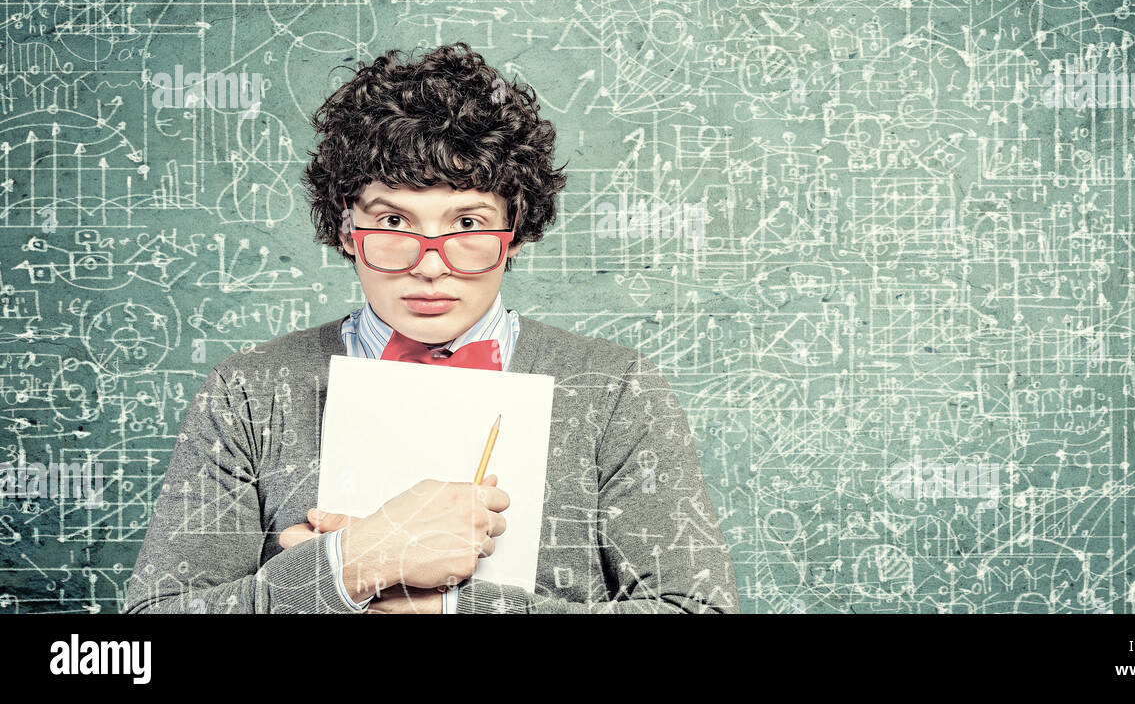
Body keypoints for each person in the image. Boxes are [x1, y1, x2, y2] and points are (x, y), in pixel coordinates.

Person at [122, 43, 739, 614]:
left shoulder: (614, 389)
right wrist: (350, 565)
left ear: (514, 231)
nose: (430, 265)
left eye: (468, 224)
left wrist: (446, 607)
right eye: (394, 221)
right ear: (346, 228)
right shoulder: (249, 392)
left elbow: (697, 610)